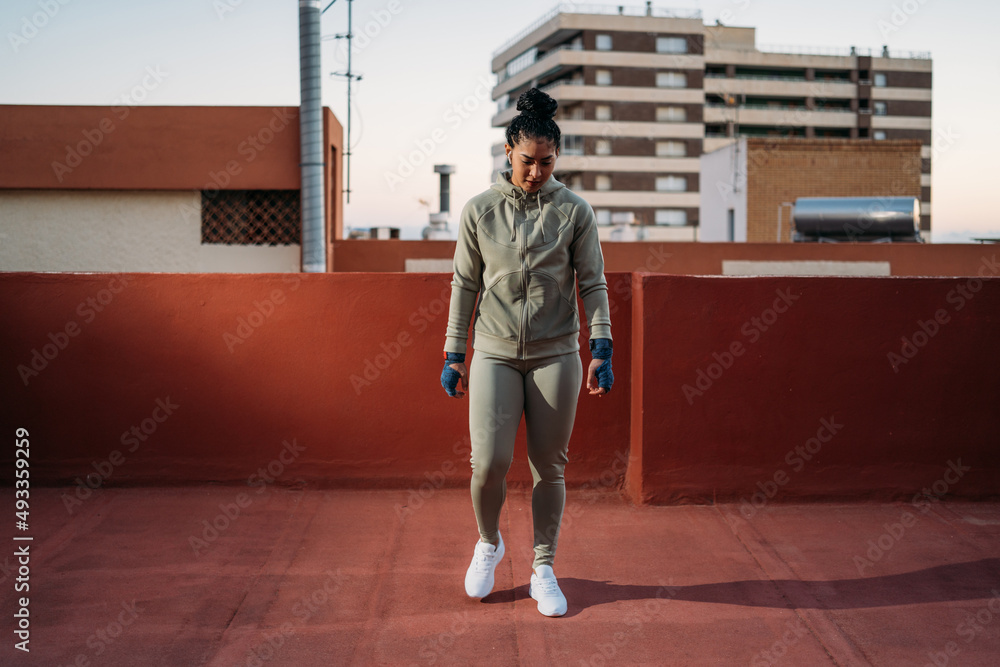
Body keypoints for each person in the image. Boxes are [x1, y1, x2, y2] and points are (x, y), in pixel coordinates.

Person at [440, 87, 614, 618]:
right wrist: (454, 353)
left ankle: (543, 566)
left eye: (546, 162)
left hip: (555, 353)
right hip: (493, 351)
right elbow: (464, 284)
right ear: (508, 153)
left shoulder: (574, 211)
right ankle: (489, 544)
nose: (536, 171)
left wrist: (601, 344)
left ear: (556, 158)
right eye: (526, 161)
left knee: (549, 467)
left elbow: (593, 282)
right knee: (488, 462)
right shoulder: (479, 211)